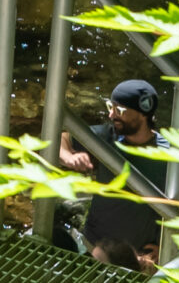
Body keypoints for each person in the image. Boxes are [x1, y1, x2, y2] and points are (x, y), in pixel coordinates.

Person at [55, 78, 166, 270]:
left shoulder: (168, 155)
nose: (111, 114)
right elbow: (60, 138)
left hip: (137, 259)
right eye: (110, 107)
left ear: (143, 114)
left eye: (119, 110)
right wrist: (68, 157)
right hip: (94, 245)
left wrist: (166, 245)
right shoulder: (107, 136)